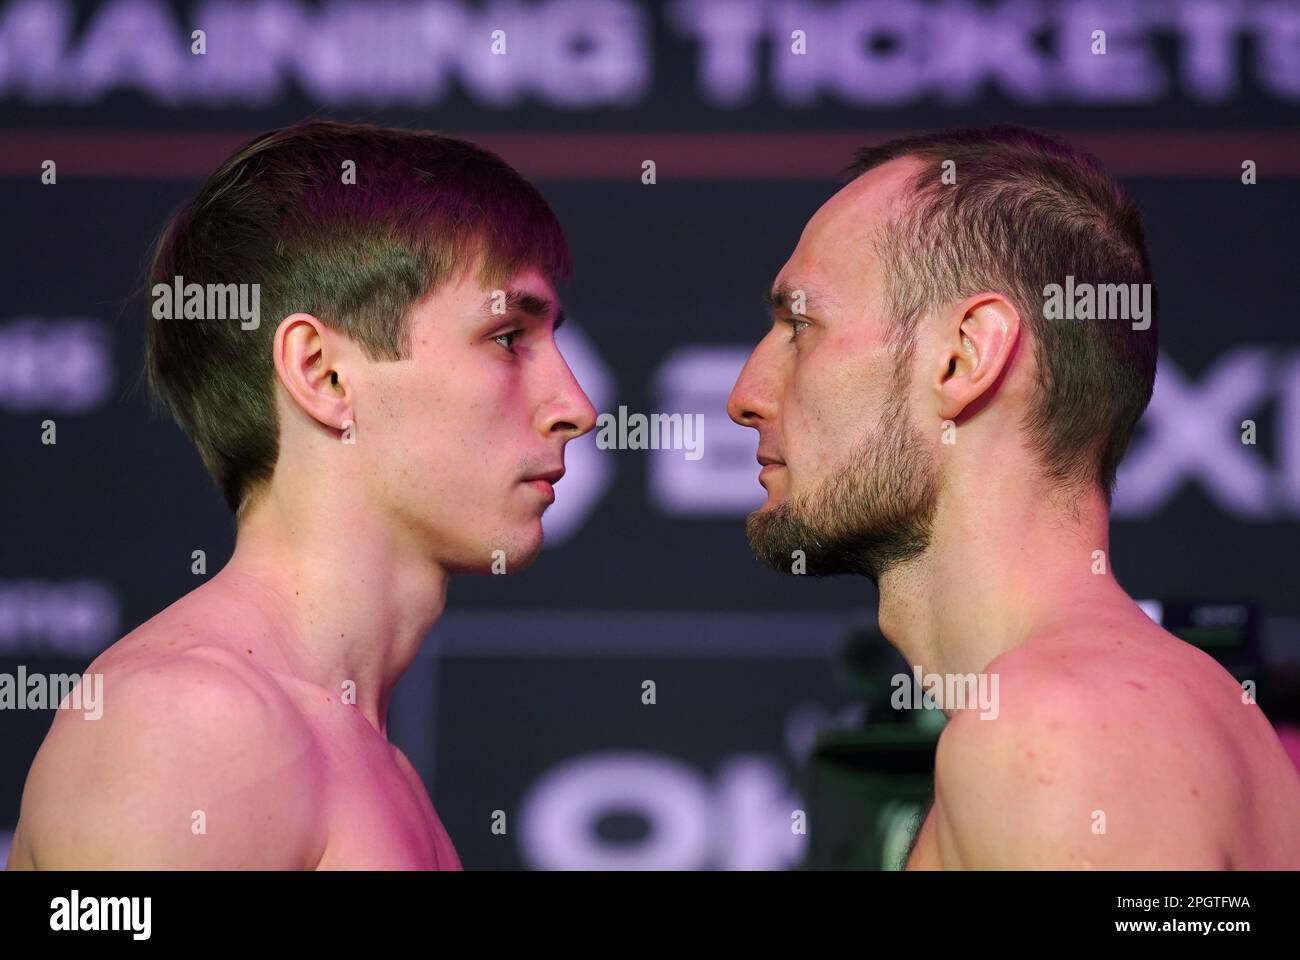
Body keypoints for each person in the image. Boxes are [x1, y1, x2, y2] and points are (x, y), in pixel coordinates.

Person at [7, 120, 595, 870]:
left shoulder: (365, 761)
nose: (577, 405)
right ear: (322, 373)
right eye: (509, 336)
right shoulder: (189, 721)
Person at [727, 125, 1300, 869]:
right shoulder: (1126, 713)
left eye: (802, 324)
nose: (745, 394)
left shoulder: (1059, 729)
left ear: (966, 356)